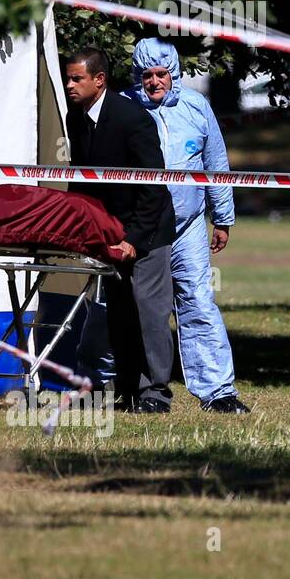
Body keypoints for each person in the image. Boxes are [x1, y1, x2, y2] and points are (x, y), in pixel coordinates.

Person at [125, 39, 250, 413]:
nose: (154, 82)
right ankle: (133, 389)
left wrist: (222, 217)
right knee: (142, 307)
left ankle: (218, 391)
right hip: (142, 228)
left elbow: (216, 165)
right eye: (146, 75)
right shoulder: (125, 108)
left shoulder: (197, 107)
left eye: (161, 74)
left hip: (189, 225)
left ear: (174, 74)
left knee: (198, 300)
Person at [64, 47, 177, 413]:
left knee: (149, 313)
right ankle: (128, 389)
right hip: (109, 229)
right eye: (68, 78)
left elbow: (154, 185)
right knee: (119, 314)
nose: (69, 85)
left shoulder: (133, 119)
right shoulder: (75, 117)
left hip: (147, 230)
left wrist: (134, 238)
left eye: (76, 78)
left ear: (99, 80)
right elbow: (82, 178)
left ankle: (155, 393)